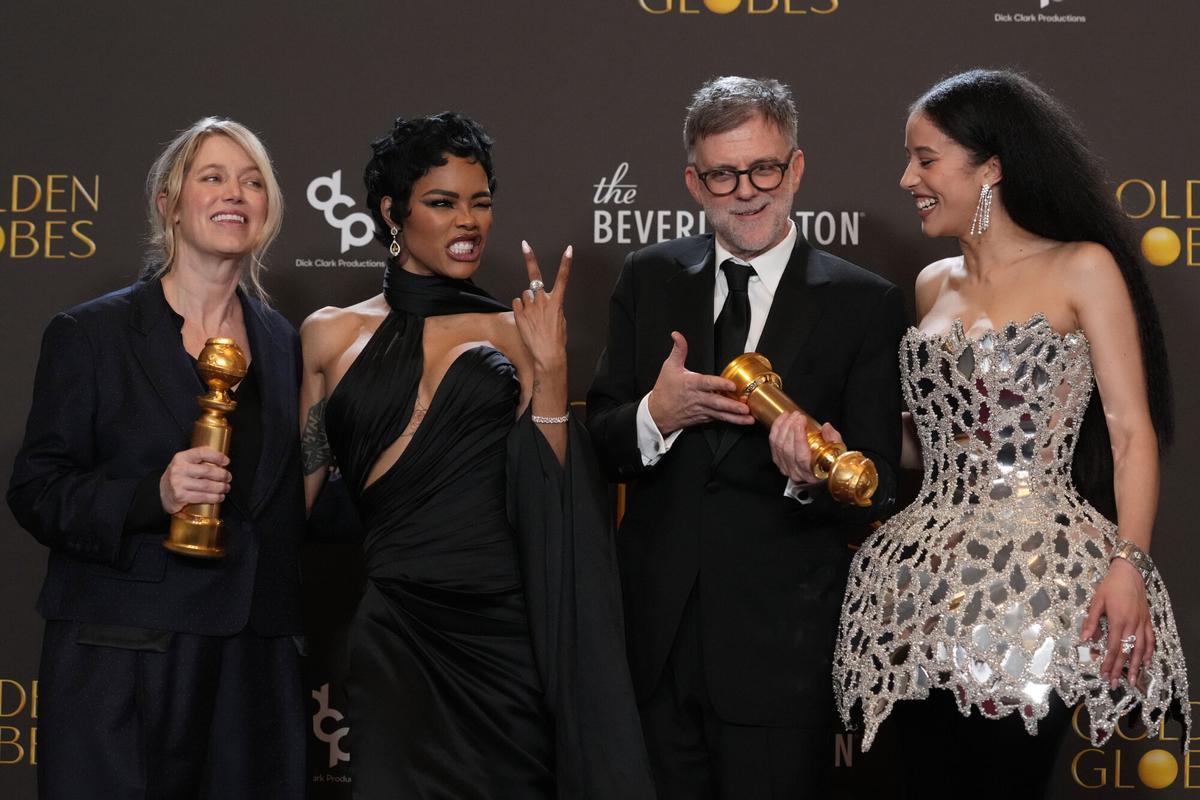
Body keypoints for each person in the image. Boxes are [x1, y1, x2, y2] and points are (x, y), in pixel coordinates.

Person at [834, 69, 1191, 798]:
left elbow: (1130, 433)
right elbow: (940, 448)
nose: (908, 178)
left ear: (989, 166)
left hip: (1039, 587)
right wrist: (838, 450)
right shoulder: (934, 284)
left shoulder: (1080, 268)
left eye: (926, 159)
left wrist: (1131, 565)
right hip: (924, 591)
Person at [299, 112, 653, 799]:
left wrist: (551, 370)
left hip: (502, 636)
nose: (468, 221)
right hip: (396, 631)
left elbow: (553, 493)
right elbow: (293, 504)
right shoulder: (327, 336)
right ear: (392, 212)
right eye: (442, 202)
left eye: (480, 202)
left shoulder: (518, 329)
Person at [586, 76, 908, 798]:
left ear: (795, 169)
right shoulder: (648, 278)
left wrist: (812, 473)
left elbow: (881, 488)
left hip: (780, 654)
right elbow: (599, 442)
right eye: (724, 174)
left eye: (764, 168)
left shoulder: (863, 302)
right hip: (655, 646)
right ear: (694, 183)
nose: (747, 191)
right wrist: (654, 416)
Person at [7, 118, 307, 798]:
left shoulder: (286, 344)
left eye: (253, 181)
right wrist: (155, 495)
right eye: (213, 176)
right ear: (168, 203)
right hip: (123, 659)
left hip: (251, 665)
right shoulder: (90, 334)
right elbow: (36, 489)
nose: (236, 192)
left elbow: (296, 498)